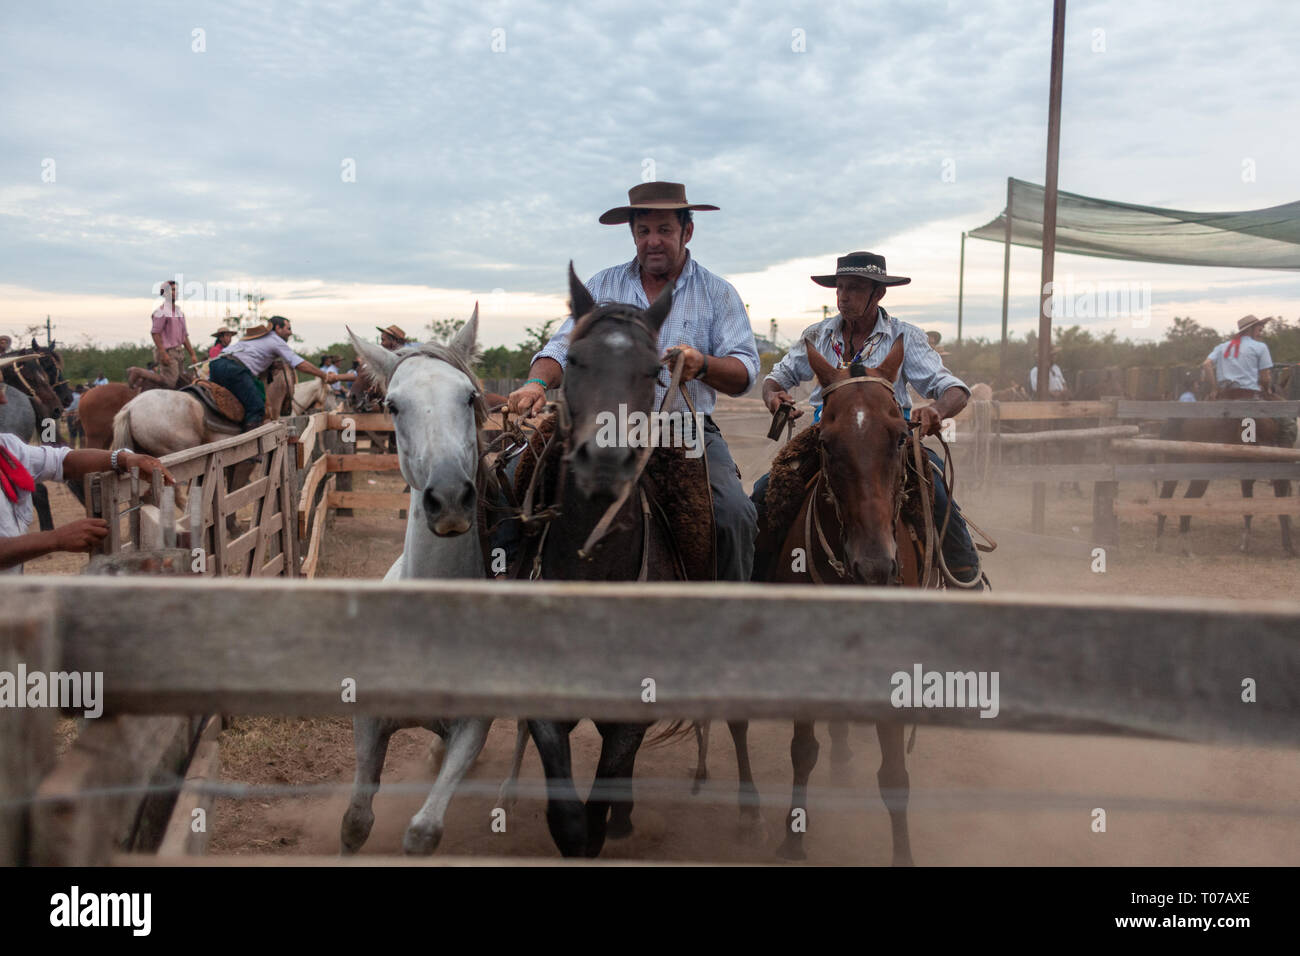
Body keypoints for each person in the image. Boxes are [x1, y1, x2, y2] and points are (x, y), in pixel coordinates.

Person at [507, 181, 761, 582]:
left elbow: (745, 370)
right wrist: (536, 385)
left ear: (687, 231)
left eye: (664, 230)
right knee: (512, 478)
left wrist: (702, 364)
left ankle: (724, 621)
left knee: (733, 515)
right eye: (644, 232)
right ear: (633, 236)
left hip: (681, 430)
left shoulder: (717, 293)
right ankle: (502, 580)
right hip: (597, 422)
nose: (653, 241)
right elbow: (560, 347)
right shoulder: (603, 286)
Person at [758, 251, 984, 588]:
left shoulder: (903, 336)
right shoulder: (817, 335)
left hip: (891, 439)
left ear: (878, 294)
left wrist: (936, 411)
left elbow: (953, 388)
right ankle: (754, 581)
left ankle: (966, 579)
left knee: (936, 493)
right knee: (767, 492)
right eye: (840, 288)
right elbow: (776, 378)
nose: (844, 296)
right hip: (829, 435)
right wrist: (774, 396)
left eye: (854, 288)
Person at [0, 428, 174, 573]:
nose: (4, 399)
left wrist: (122, 459)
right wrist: (55, 538)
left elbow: (61, 461)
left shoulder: (6, 446)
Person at [208, 316, 336, 430]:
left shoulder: (255, 338)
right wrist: (324, 375)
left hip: (216, 364)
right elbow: (298, 363)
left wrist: (271, 364)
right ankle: (252, 453)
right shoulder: (276, 340)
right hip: (234, 369)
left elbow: (252, 356)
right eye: (288, 328)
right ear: (278, 328)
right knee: (257, 408)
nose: (290, 333)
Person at [128, 280, 199, 390]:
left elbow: (184, 336)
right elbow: (155, 333)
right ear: (165, 293)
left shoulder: (179, 312)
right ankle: (138, 372)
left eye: (176, 290)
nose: (175, 292)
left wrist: (192, 354)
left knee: (181, 383)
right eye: (172, 290)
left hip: (179, 352)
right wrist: (163, 353)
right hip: (168, 351)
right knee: (169, 383)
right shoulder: (161, 312)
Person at [1204, 315, 1273, 398]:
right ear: (1250, 329)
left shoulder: (1221, 347)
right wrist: (1267, 389)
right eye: (1259, 330)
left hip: (1225, 396)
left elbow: (1206, 364)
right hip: (1249, 395)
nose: (1260, 334)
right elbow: (1265, 378)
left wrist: (1214, 388)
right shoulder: (1260, 347)